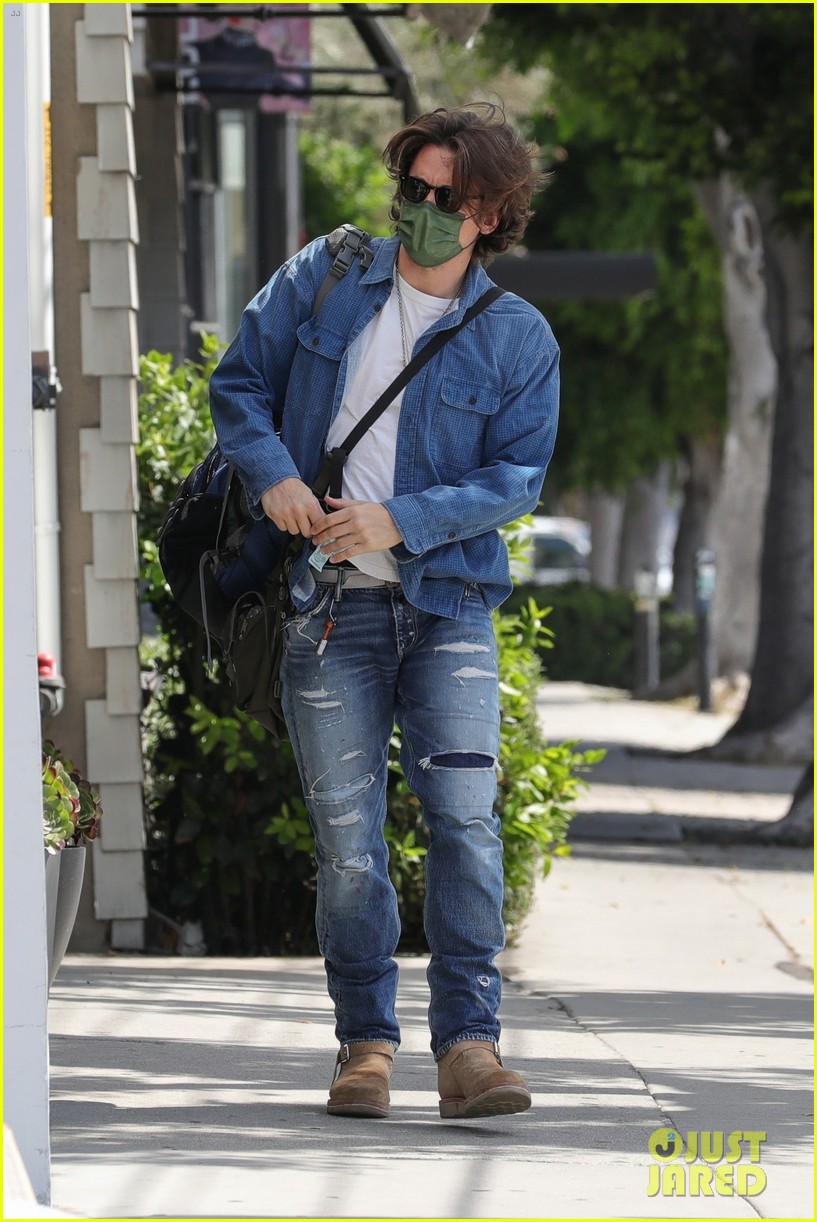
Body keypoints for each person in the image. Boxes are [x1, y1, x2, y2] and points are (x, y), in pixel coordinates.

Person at [209, 103, 559, 1120]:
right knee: (349, 839)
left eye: (448, 199)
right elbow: (240, 384)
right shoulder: (326, 274)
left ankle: (470, 1049)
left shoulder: (516, 338)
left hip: (447, 609)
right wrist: (273, 474)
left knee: (462, 821)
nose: (424, 211)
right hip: (326, 611)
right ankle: (364, 1043)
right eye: (413, 189)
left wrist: (395, 519)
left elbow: (515, 478)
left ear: (491, 214)